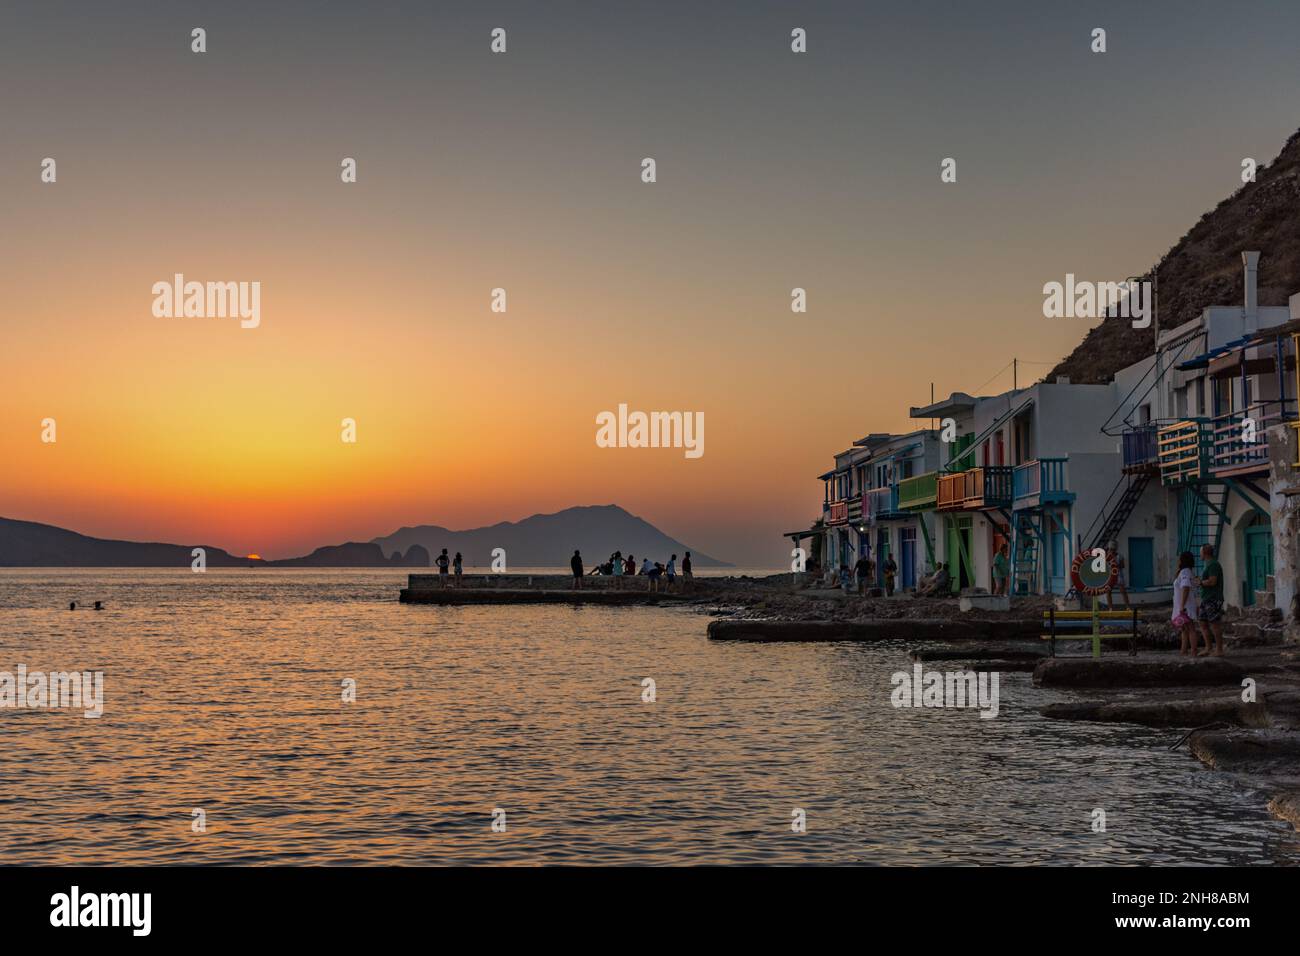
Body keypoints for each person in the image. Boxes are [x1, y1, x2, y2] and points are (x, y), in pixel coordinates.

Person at [1198, 543, 1226, 657]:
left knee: (1214, 623)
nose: (1199, 554)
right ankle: (1208, 647)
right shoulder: (1207, 564)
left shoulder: (1213, 564)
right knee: (1202, 622)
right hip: (1206, 598)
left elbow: (1213, 581)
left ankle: (1219, 649)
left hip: (1213, 598)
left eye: (1200, 551)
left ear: (1204, 553)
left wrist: (1200, 582)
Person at [1172, 550, 1201, 656]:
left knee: (1190, 628)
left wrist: (1182, 606)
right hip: (1184, 604)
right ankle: (1183, 650)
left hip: (1185, 605)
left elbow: (1185, 588)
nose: (1178, 560)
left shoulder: (1185, 572)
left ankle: (1194, 651)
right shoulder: (1186, 571)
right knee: (1184, 628)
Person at [1106, 540, 1130, 610]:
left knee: (1123, 591)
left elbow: (1123, 565)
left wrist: (1116, 565)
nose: (1111, 550)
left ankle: (1127, 607)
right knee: (1108, 591)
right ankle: (1110, 608)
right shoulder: (1106, 556)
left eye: (1113, 549)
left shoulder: (1119, 556)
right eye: (1110, 549)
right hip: (1109, 575)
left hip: (1118, 575)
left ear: (1115, 549)